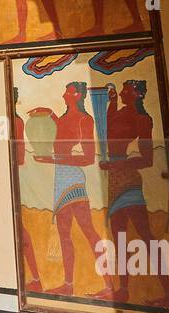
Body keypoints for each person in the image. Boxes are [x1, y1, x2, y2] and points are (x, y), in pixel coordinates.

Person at [101, 80, 169, 308]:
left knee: (146, 237)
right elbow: (109, 132)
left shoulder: (143, 119)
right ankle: (124, 289)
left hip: (127, 180)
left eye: (127, 89)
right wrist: (112, 103)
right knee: (119, 238)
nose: (124, 91)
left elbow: (147, 159)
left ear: (137, 93)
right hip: (114, 181)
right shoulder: (122, 111)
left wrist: (115, 166)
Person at [27, 81, 110, 298]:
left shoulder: (85, 120)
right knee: (64, 235)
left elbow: (88, 158)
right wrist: (50, 116)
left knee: (89, 231)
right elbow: (55, 141)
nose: (64, 94)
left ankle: (110, 285)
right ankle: (69, 284)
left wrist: (53, 158)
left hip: (73, 181)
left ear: (77, 95)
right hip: (60, 180)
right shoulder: (62, 120)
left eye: (68, 91)